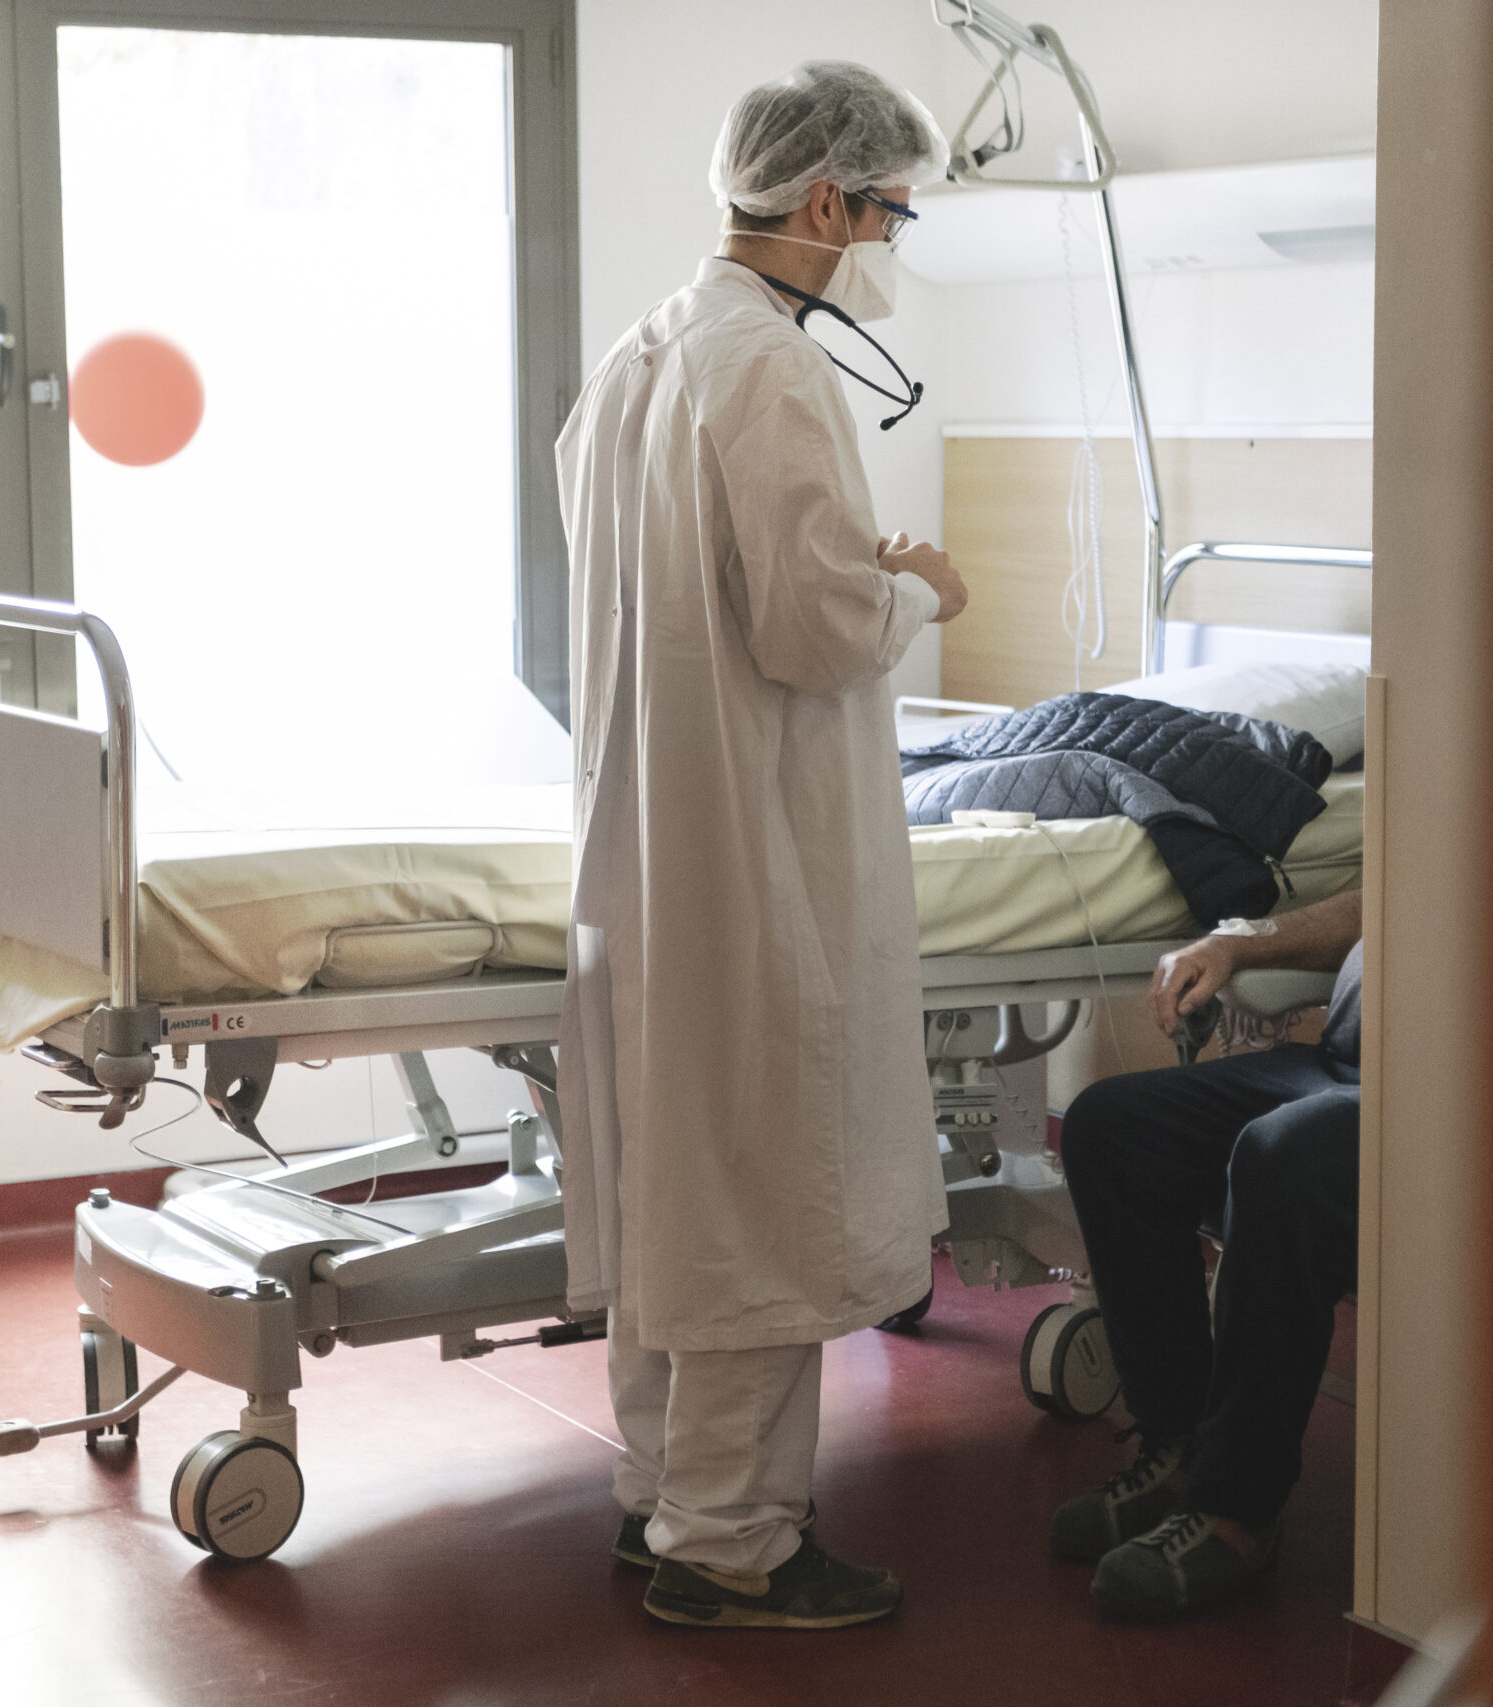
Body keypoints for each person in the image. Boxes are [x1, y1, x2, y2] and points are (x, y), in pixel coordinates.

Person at [553, 60, 970, 1632]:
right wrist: (922, 586)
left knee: (680, 1179)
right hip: (751, 855)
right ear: (821, 202)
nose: (890, 244)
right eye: (890, 213)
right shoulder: (774, 372)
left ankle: (658, 1491)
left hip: (646, 849)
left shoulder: (641, 353)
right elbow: (810, 627)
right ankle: (732, 1541)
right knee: (754, 1188)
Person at [1047, 886, 1365, 1620]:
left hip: (1443, 1091)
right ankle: (1178, 1445)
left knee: (1279, 1156)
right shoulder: (1437, 818)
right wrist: (1235, 943)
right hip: (1339, 1064)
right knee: (1109, 1129)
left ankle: (1236, 1508)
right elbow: (1373, 906)